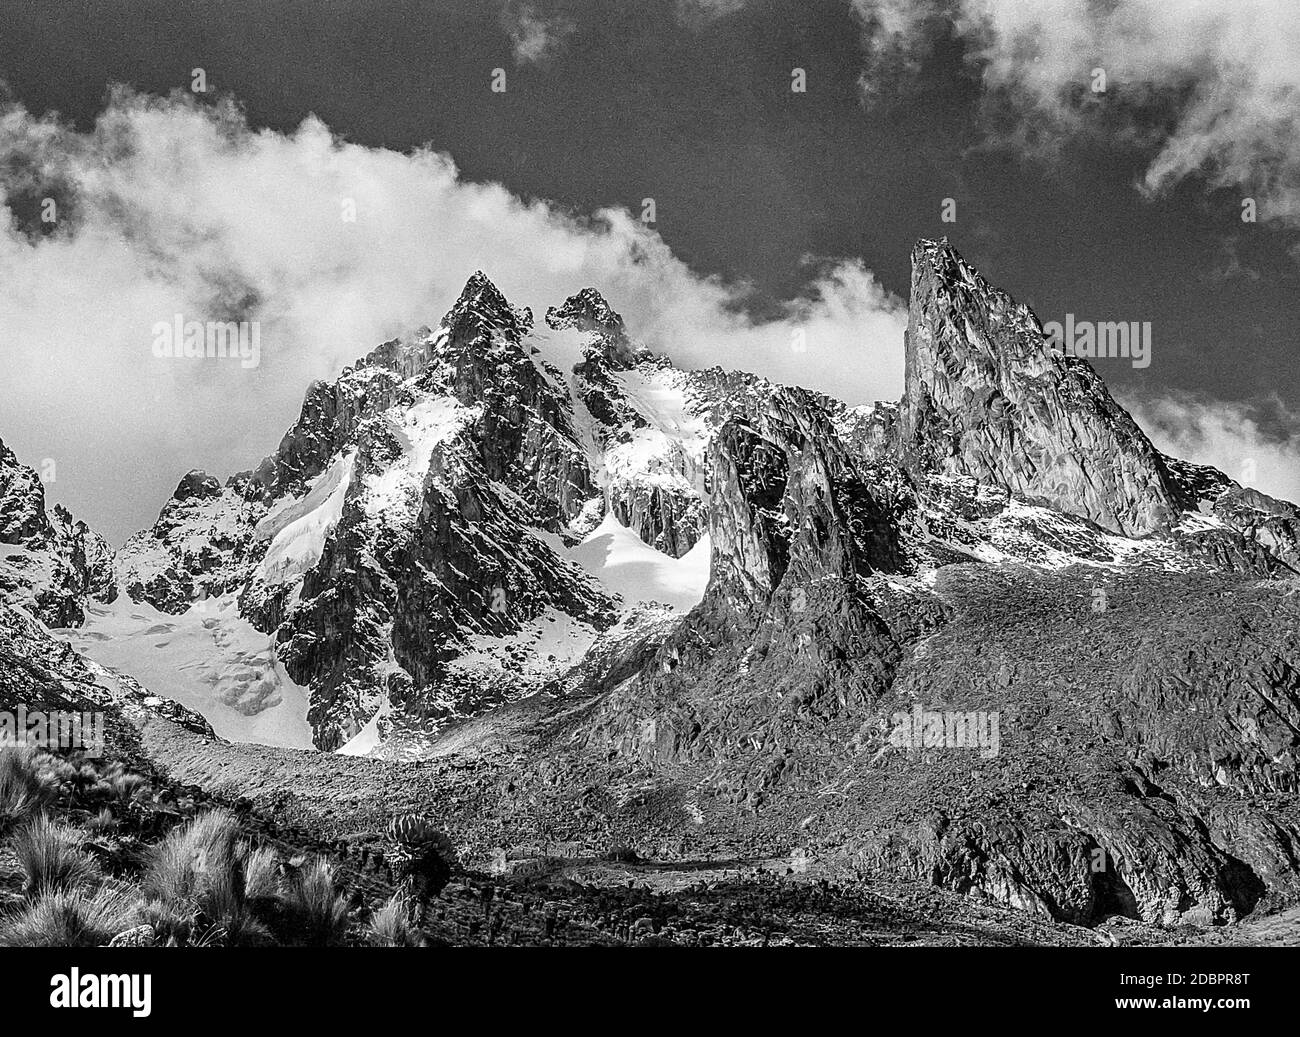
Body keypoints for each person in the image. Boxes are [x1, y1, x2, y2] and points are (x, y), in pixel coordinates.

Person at [384, 814, 455, 928]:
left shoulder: (427, 860)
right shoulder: (418, 858)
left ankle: (411, 925)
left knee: (415, 900)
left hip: (419, 880)